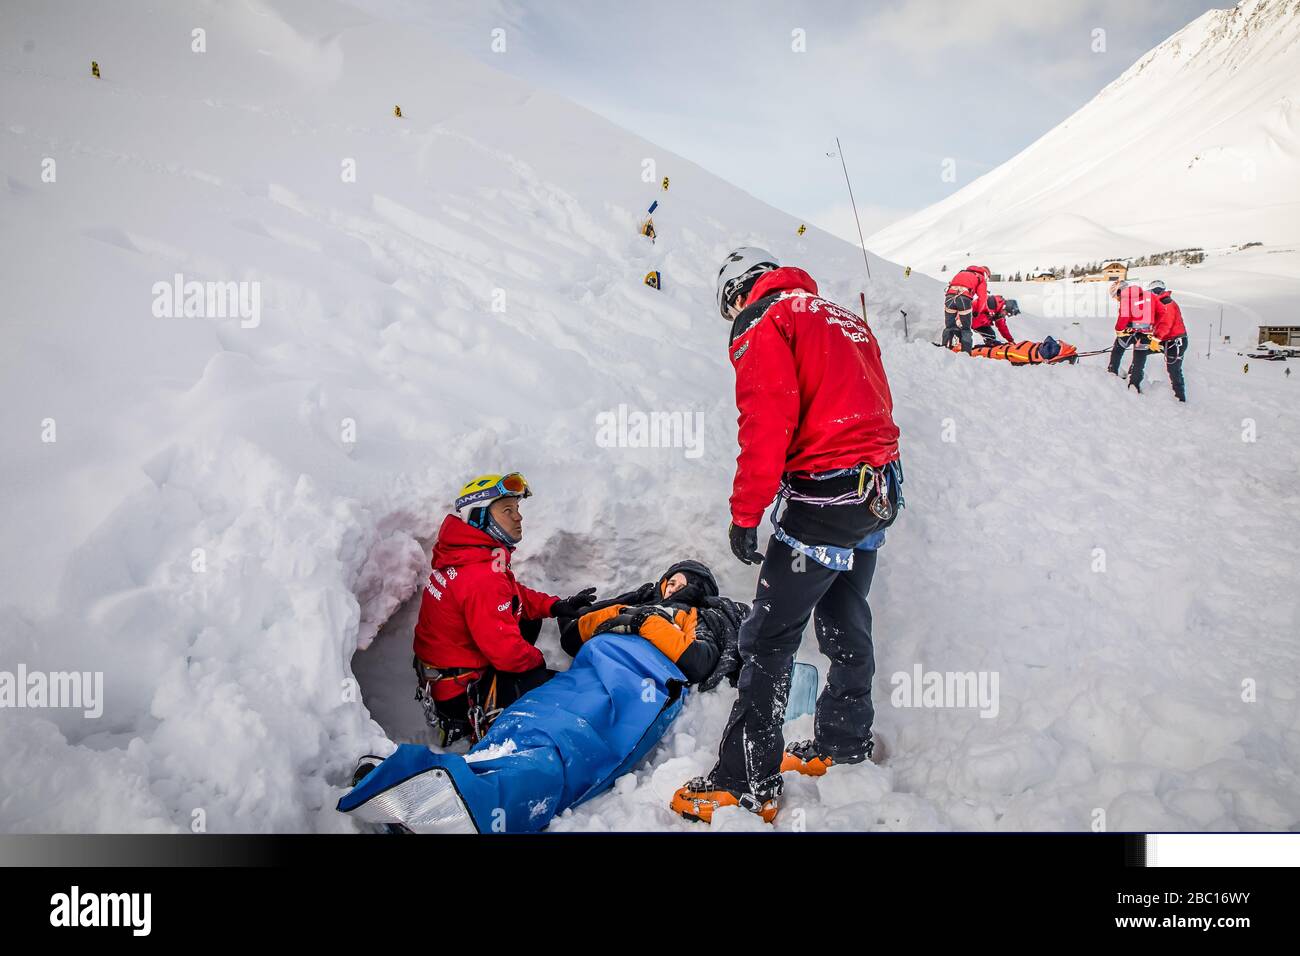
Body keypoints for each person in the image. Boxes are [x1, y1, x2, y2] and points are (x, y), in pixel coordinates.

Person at [671, 247, 904, 825]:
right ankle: (844, 740)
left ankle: (744, 781)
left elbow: (767, 420)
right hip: (877, 491)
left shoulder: (766, 320)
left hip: (825, 497)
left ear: (737, 294)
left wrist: (746, 512)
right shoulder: (841, 316)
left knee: (768, 639)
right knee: (846, 616)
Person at [340, 559, 748, 833]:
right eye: (668, 579)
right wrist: (622, 614)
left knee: (570, 742)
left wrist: (645, 623)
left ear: (697, 589)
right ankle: (438, 780)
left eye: (681, 582)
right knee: (524, 722)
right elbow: (574, 635)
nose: (670, 585)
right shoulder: (637, 604)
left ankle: (476, 806)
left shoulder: (700, 616)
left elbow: (697, 661)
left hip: (637, 687)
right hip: (586, 672)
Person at [411, 472, 597, 744]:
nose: (518, 517)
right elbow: (507, 654)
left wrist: (555, 606)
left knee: (527, 620)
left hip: (445, 678)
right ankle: (484, 723)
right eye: (507, 510)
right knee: (558, 693)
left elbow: (513, 595)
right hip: (460, 695)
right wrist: (537, 667)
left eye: (517, 509)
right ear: (479, 517)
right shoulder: (481, 577)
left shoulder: (469, 555)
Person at [1139, 279, 1189, 402]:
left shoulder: (1167, 303)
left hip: (1176, 342)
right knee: (1140, 350)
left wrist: (1156, 339)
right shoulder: (1158, 304)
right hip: (1164, 339)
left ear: (1156, 292)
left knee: (1174, 370)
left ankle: (1180, 398)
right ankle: (1134, 379)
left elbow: (1166, 324)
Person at [1106, 280, 1156, 391]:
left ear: (1120, 291)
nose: (1117, 299)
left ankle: (1111, 374)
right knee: (1139, 360)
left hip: (1130, 332)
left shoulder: (1126, 298)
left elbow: (1123, 317)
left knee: (1117, 350)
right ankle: (1134, 385)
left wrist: (1119, 330)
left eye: (1116, 296)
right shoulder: (1145, 295)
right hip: (1146, 333)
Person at [942, 264, 991, 353]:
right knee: (966, 329)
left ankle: (945, 348)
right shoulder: (981, 278)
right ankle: (966, 354)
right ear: (986, 274)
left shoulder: (962, 272)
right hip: (964, 299)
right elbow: (982, 299)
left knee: (949, 327)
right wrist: (977, 312)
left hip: (949, 298)